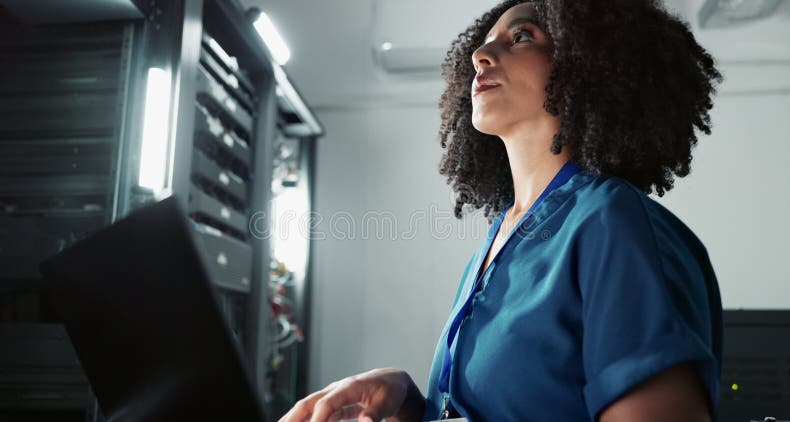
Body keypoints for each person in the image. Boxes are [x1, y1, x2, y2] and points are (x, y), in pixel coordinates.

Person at [279, 0, 723, 420]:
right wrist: (410, 405)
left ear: (588, 64)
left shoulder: (615, 224)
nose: (481, 55)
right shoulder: (498, 240)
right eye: (485, 42)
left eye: (522, 36)